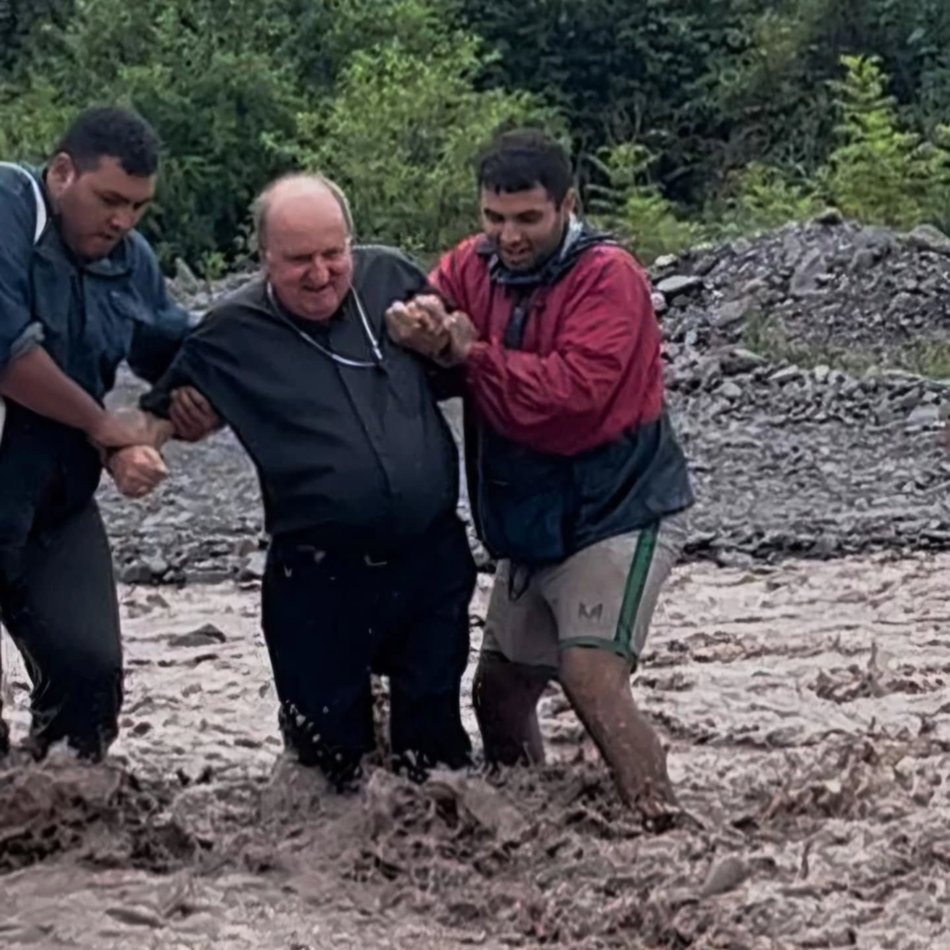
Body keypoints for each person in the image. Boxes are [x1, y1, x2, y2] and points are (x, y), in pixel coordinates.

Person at [116, 173, 476, 789]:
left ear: (352, 244)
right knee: (328, 768)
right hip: (318, 576)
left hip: (430, 560)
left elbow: (463, 348)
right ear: (265, 260)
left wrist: (444, 338)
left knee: (437, 759)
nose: (320, 274)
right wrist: (133, 458)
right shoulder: (231, 331)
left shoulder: (390, 278)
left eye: (333, 255)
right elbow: (154, 417)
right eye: (299, 260)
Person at [385, 129, 695, 823]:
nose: (508, 235)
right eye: (494, 218)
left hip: (621, 507)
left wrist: (470, 355)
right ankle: (529, 829)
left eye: (528, 218)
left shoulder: (610, 276)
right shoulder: (474, 263)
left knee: (591, 678)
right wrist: (423, 324)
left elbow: (570, 396)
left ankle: (665, 830)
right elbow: (431, 306)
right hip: (532, 519)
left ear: (567, 206)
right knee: (497, 692)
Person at [0, 106, 213, 761]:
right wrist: (108, 430)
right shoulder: (9, 206)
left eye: (139, 207)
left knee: (90, 684)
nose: (122, 221)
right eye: (109, 200)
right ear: (63, 172)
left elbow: (179, 355)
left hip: (54, 502)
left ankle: (59, 836)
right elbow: (7, 355)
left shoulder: (131, 258)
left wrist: (175, 415)